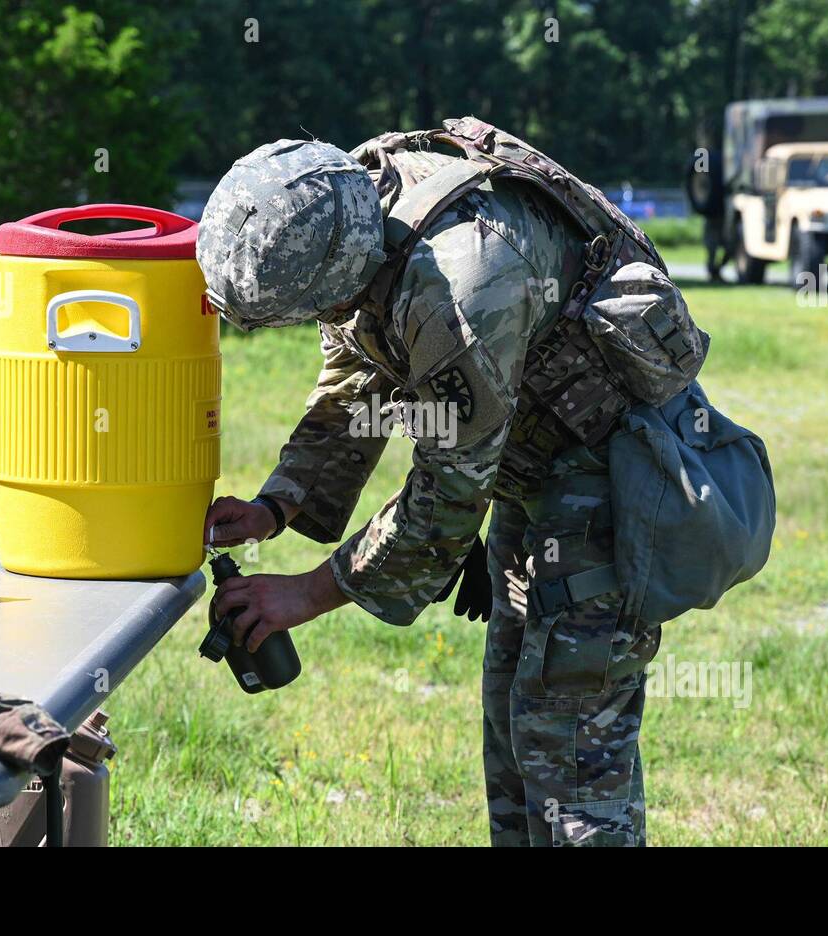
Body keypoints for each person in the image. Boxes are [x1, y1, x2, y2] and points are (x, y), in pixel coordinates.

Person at [198, 121, 702, 846]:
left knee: (568, 757)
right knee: (513, 731)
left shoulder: (463, 282)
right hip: (534, 472)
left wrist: (307, 591)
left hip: (608, 481)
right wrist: (279, 505)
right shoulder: (352, 207)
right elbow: (355, 376)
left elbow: (450, 493)